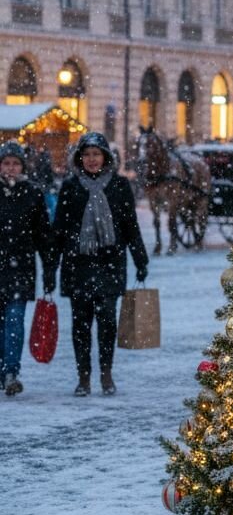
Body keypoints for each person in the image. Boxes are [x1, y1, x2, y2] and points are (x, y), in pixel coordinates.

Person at [50, 131, 149, 397]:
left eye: (96, 154)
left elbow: (130, 226)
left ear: (106, 157)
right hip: (78, 264)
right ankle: (83, 377)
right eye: (87, 155)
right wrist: (51, 266)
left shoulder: (119, 185)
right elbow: (59, 229)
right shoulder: (70, 186)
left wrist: (140, 259)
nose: (92, 159)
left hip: (110, 263)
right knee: (81, 325)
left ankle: (106, 372)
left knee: (107, 322)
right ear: (79, 158)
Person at [0, 141, 55, 396]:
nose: (11, 168)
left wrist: (49, 268)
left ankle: (11, 371)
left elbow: (43, 235)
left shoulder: (32, 194)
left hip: (20, 268)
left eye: (15, 163)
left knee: (14, 321)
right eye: (6, 163)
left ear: (23, 166)